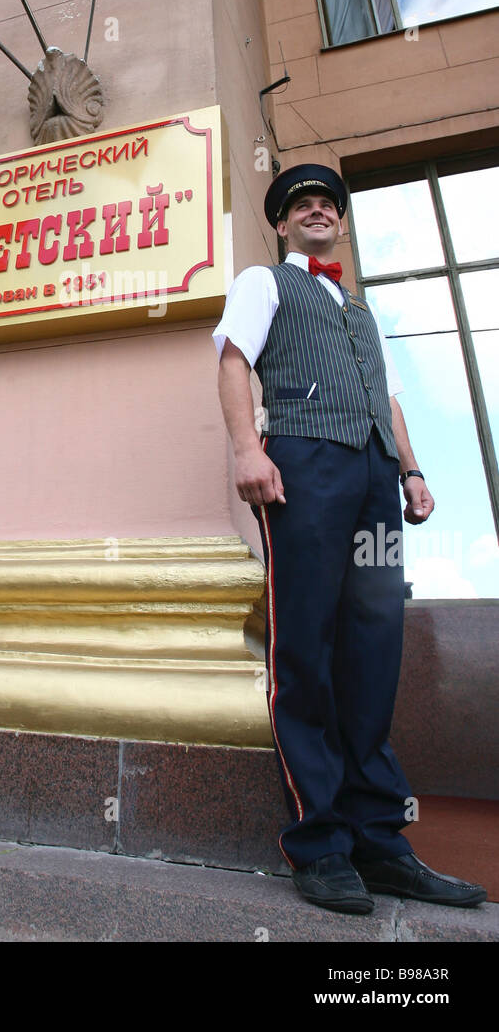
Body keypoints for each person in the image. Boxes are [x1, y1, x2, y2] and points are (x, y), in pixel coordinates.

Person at [214, 163, 486, 914]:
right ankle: (319, 844)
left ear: (340, 220)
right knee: (304, 646)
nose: (316, 211)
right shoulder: (263, 283)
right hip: (303, 465)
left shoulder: (363, 313)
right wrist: (247, 448)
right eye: (302, 204)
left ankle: (381, 844)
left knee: (372, 651)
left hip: (373, 479)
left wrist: (412, 471)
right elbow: (233, 361)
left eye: (327, 204)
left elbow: (387, 397)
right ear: (281, 223)